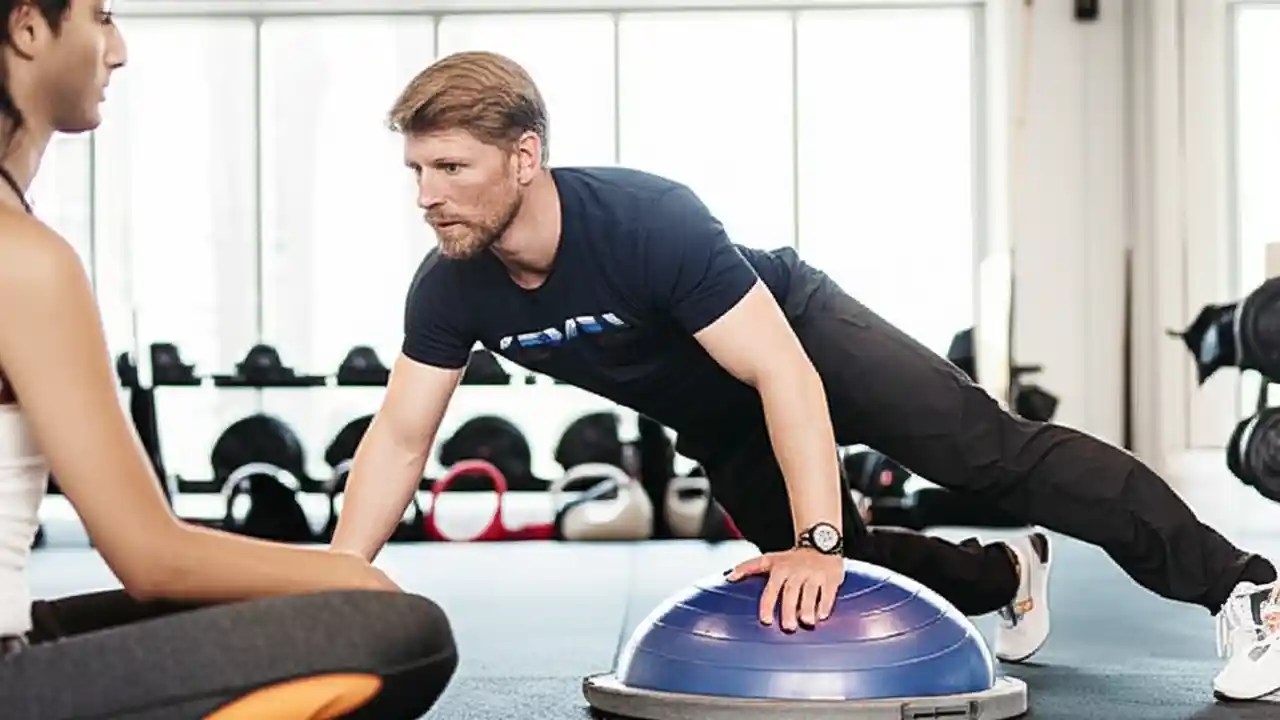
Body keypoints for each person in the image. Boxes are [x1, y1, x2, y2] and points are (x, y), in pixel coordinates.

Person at [329, 49, 1279, 699]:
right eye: (416, 170)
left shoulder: (646, 221)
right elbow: (402, 437)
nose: (427, 197)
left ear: (525, 157)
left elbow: (784, 372)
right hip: (721, 418)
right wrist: (339, 581)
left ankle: (1244, 590)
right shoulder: (453, 286)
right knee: (824, 581)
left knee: (987, 456)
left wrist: (817, 531)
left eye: (449, 167)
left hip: (801, 337)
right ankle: (1006, 571)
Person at [0, 3, 457, 718]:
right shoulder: (22, 257)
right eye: (101, 16)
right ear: (28, 27)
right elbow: (150, 558)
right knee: (403, 632)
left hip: (18, 629)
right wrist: (343, 573)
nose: (117, 49)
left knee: (258, 603)